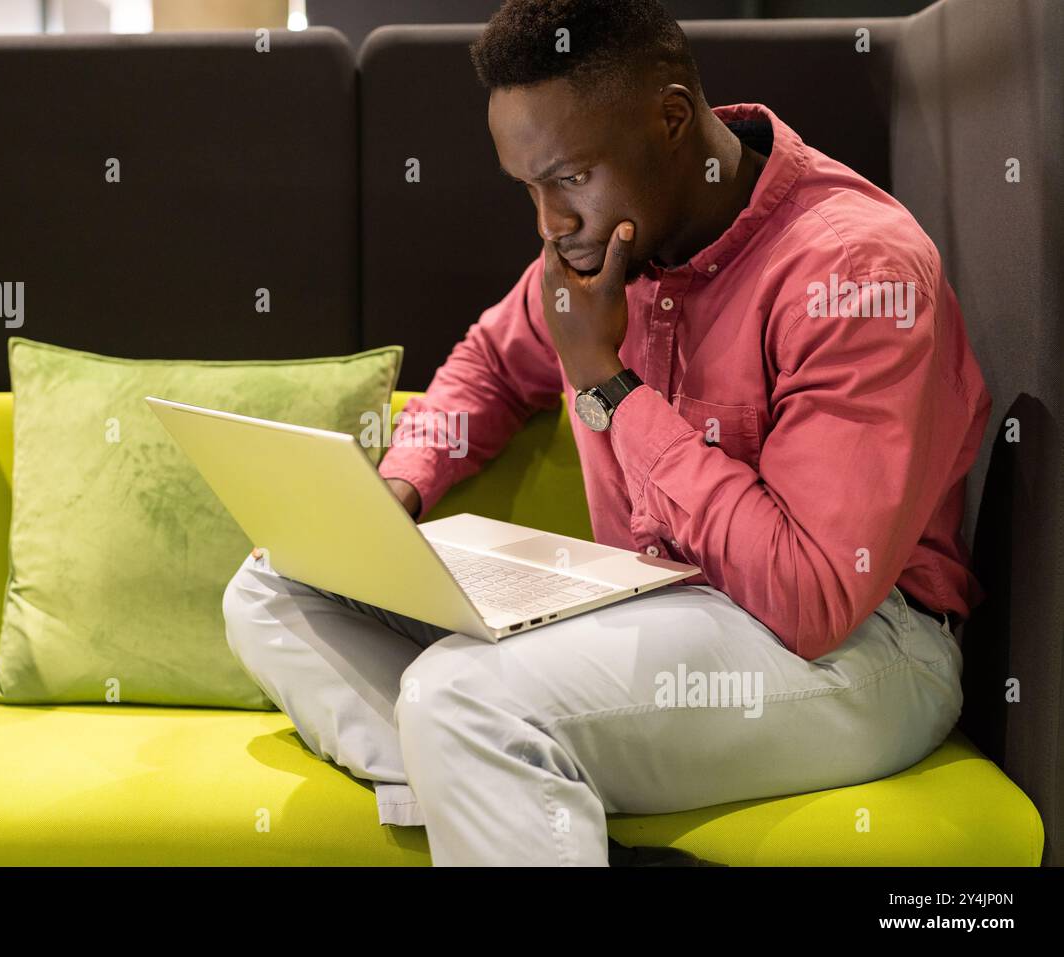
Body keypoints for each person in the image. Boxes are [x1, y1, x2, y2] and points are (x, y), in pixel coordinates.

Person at [223, 0, 990, 866]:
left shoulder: (854, 269)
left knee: (458, 699)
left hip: (864, 652)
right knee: (272, 588)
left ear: (669, 120)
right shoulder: (603, 248)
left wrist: (609, 386)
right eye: (529, 187)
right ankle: (503, 794)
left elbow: (812, 597)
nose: (549, 222)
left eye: (570, 178)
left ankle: (493, 777)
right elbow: (489, 362)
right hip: (646, 603)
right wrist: (398, 485)